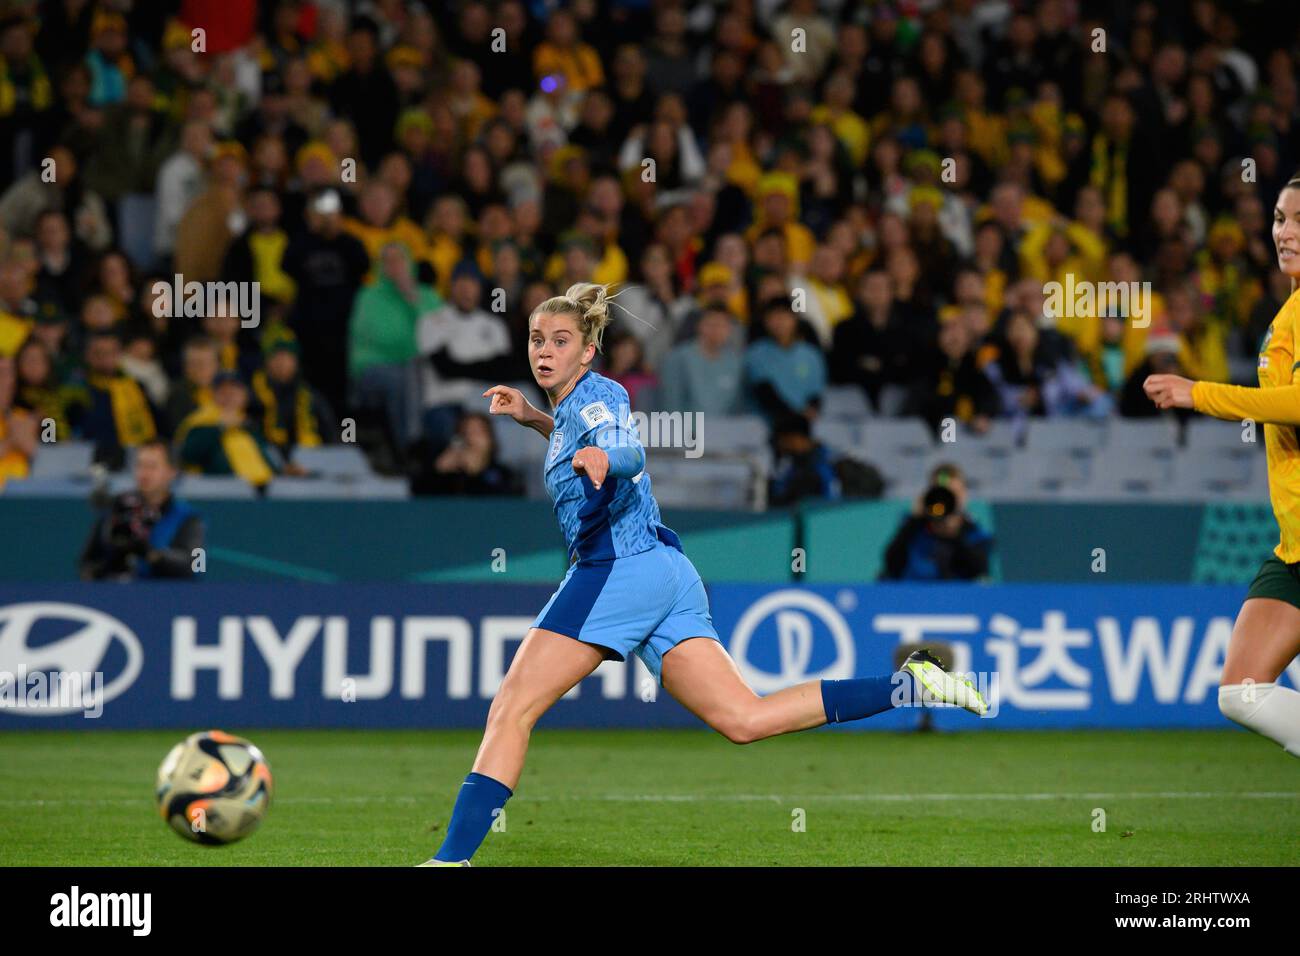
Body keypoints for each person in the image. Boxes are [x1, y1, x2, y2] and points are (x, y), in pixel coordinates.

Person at [419, 282, 987, 866]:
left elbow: (626, 449)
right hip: (668, 571)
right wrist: (533, 418)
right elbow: (581, 435)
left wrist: (606, 458)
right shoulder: (569, 409)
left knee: (511, 709)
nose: (545, 350)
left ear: (587, 351)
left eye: (561, 341)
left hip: (618, 569)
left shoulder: (597, 399)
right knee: (745, 718)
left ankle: (449, 861)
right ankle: (913, 685)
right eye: (537, 339)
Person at [1143, 171, 1300, 758]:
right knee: (1241, 693)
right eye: (1282, 219)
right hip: (1294, 548)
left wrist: (1200, 393)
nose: (1286, 232)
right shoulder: (1287, 314)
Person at [79, 439, 203, 580]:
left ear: (172, 472)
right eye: (140, 465)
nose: (144, 474)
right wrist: (112, 562)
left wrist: (150, 554)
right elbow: (87, 565)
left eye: (152, 466)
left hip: (165, 597)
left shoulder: (189, 518)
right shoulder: (118, 508)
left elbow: (198, 567)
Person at [880, 482, 993, 581]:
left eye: (952, 495)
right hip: (914, 596)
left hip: (956, 598)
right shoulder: (913, 526)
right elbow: (891, 563)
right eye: (939, 494)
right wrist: (913, 520)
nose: (943, 503)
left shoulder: (973, 530)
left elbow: (980, 571)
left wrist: (955, 535)